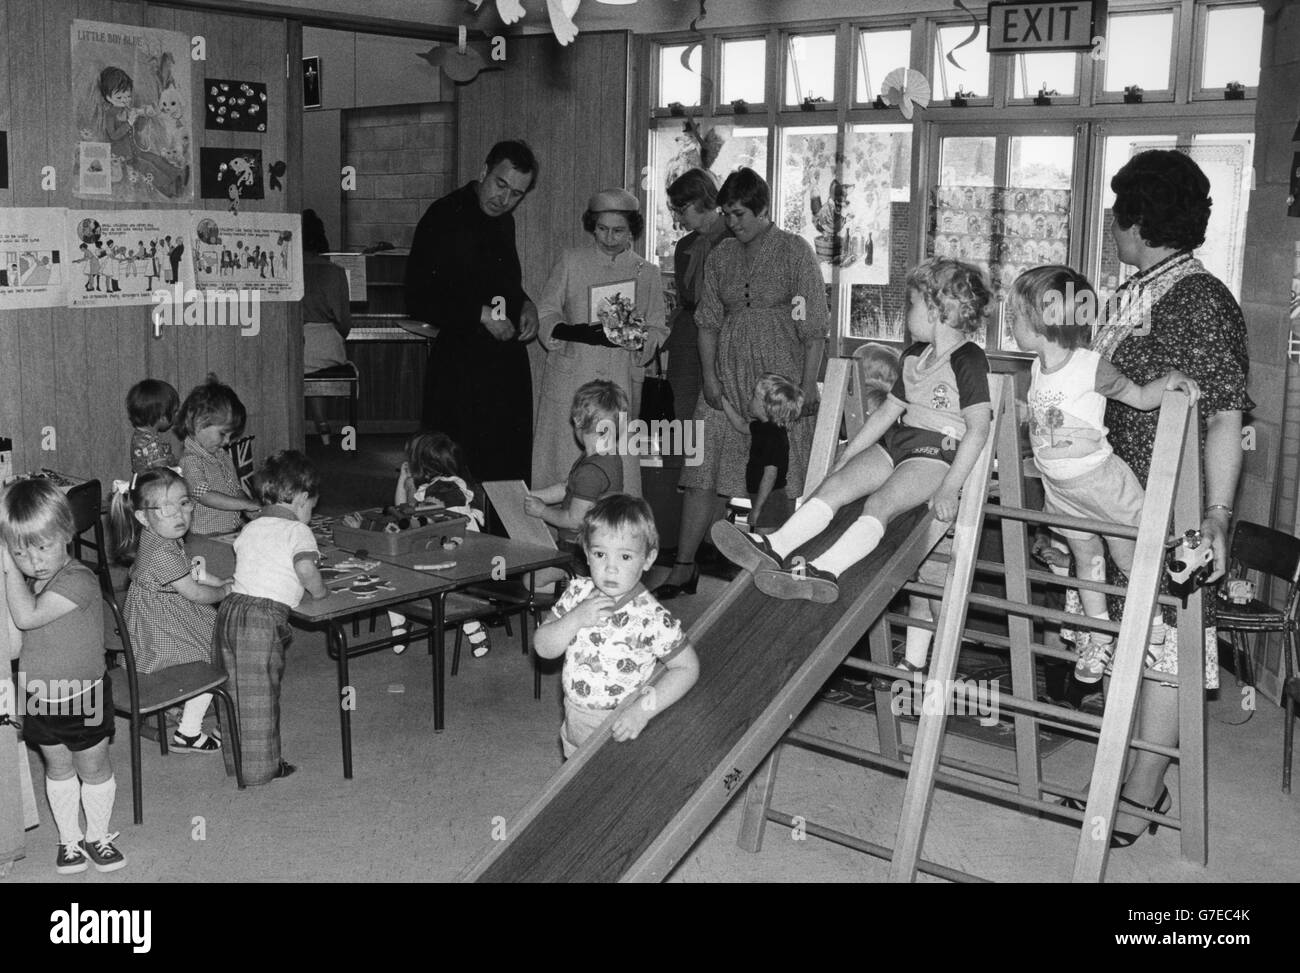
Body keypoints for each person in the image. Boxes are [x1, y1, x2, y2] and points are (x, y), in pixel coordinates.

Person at [1064, 149, 1254, 847]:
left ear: (1140, 218)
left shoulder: (1201, 299)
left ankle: (1141, 790)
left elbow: (1227, 413)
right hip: (1121, 494)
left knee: (1165, 647)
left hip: (1170, 502)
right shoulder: (1137, 290)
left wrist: (1216, 516)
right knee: (1132, 642)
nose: (1112, 224)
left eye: (1118, 210)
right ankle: (1127, 767)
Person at [712, 258, 993, 604]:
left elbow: (979, 429)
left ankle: (823, 569)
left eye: (913, 304)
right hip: (899, 443)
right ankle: (775, 546)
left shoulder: (968, 359)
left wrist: (950, 487)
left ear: (936, 310)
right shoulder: (914, 356)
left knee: (880, 502)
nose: (907, 312)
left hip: (936, 453)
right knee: (837, 483)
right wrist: (849, 454)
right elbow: (889, 411)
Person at [1010, 265, 1199, 684]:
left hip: (1103, 482)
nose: (1011, 325)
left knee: (1130, 557)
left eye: (1016, 317)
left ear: (1045, 321)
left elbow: (1139, 398)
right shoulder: (1037, 369)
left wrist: (1170, 380)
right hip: (1060, 488)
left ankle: (1150, 631)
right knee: (1086, 562)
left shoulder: (1089, 365)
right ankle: (1098, 637)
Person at [655, 168, 828, 599]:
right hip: (727, 375)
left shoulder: (794, 251)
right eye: (727, 214)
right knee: (702, 467)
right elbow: (707, 323)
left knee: (779, 472)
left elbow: (815, 329)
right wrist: (710, 378)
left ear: (762, 209)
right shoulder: (722, 255)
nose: (733, 223)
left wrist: (806, 388)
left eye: (740, 214)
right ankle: (684, 566)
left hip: (778, 379)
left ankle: (780, 567)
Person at [0, 480, 124, 874]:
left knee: (94, 768)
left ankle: (97, 835)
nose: (33, 561)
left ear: (66, 534)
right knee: (58, 768)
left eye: (42, 547)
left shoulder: (78, 579)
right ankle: (69, 839)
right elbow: (17, 646)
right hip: (39, 694)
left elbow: (28, 617)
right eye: (19, 552)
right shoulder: (25, 583)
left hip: (82, 693)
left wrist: (8, 570)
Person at [406, 140, 540, 485]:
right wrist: (478, 314)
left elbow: (504, 284)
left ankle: (503, 539)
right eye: (500, 184)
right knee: (452, 471)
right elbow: (417, 296)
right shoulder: (443, 215)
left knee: (506, 469)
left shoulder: (504, 223)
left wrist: (526, 304)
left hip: (504, 368)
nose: (504, 199)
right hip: (459, 369)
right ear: (484, 171)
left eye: (517, 194)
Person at [534, 495, 700, 759]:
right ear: (587, 553)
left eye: (625, 556)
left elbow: (687, 668)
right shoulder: (577, 594)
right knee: (576, 786)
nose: (610, 568)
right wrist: (575, 618)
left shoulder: (652, 617)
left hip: (621, 724)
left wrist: (642, 711)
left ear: (647, 559)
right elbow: (544, 647)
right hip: (575, 716)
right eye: (600, 554)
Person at [532, 188, 667, 499]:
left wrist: (639, 340)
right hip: (573, 373)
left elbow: (658, 327)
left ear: (632, 229)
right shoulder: (571, 261)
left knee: (613, 460)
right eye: (602, 229)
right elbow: (547, 309)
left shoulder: (647, 272)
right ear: (591, 225)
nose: (609, 238)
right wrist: (569, 331)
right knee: (565, 454)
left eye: (618, 231)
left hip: (618, 376)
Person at [214, 450, 328, 785]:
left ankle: (238, 763)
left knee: (233, 689)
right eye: (312, 508)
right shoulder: (298, 532)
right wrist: (320, 593)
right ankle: (263, 770)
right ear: (303, 499)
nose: (310, 514)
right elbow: (306, 568)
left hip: (230, 610)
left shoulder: (250, 527)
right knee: (261, 694)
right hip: (262, 619)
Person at [109, 469, 230, 752]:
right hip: (161, 626)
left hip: (163, 612)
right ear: (142, 517)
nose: (179, 515)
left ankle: (179, 705)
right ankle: (188, 732)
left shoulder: (160, 537)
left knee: (212, 645)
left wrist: (218, 580)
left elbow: (189, 571)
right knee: (212, 655)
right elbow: (195, 593)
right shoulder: (162, 551)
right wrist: (224, 591)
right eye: (166, 508)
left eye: (184, 503)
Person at [387, 431, 491, 658]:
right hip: (435, 545)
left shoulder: (450, 487)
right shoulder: (431, 485)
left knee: (439, 587)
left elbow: (433, 516)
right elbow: (402, 510)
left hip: (459, 549)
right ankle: (399, 624)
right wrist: (403, 481)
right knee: (394, 574)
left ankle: (473, 627)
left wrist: (411, 490)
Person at [526, 380, 626, 563]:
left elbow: (574, 520)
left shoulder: (591, 471)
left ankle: (573, 584)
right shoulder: (606, 457)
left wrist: (541, 511)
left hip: (578, 548)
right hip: (597, 544)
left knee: (532, 580)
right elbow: (568, 487)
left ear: (577, 420)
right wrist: (531, 495)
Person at [719, 373, 803, 532]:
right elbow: (741, 425)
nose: (748, 400)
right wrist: (722, 400)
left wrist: (757, 509)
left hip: (770, 499)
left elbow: (770, 475)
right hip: (763, 497)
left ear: (765, 406)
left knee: (763, 541)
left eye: (753, 397)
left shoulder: (774, 436)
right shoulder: (762, 428)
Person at [177, 375, 260, 535]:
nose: (228, 441)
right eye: (223, 434)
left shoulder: (222, 455)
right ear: (199, 422)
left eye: (230, 435)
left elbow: (235, 488)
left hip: (229, 531)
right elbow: (205, 496)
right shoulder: (190, 460)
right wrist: (244, 505)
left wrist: (248, 506)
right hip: (204, 536)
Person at [300, 209, 353, 446]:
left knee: (305, 361)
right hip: (326, 347)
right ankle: (322, 424)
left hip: (295, 344)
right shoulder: (335, 272)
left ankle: (320, 425)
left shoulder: (289, 272)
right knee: (315, 359)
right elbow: (344, 323)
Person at [127, 378, 181, 474]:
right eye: (174, 412)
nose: (177, 415)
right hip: (155, 487)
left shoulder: (141, 436)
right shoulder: (150, 444)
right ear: (162, 417)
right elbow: (163, 474)